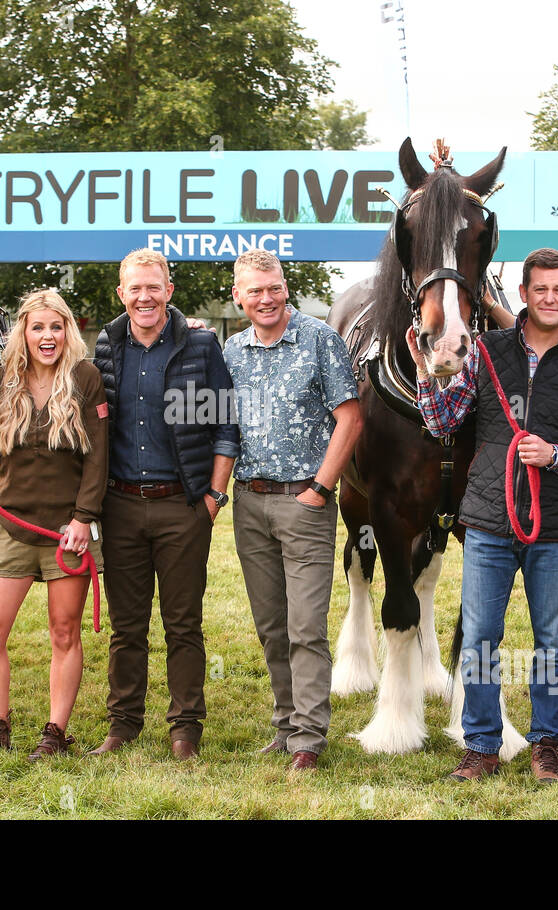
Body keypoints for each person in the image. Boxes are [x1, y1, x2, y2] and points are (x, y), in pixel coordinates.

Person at [412, 247, 558, 784]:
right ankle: (481, 744)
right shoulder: (485, 350)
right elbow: (443, 422)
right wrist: (426, 375)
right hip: (486, 520)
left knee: (552, 639)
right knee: (480, 636)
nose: (549, 297)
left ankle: (548, 745)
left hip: (553, 526)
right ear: (523, 294)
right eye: (539, 288)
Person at [88, 249, 239, 760]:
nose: (145, 296)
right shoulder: (106, 346)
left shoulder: (199, 344)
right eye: (135, 288)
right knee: (126, 627)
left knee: (183, 624)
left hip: (184, 506)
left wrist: (214, 498)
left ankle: (185, 730)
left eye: (154, 286)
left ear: (169, 290)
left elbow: (225, 424)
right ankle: (123, 724)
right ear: (122, 294)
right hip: (121, 506)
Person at [0, 288, 108, 760]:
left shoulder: (85, 378)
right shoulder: (4, 379)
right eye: (38, 327)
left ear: (68, 332)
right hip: (12, 525)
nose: (47, 336)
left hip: (68, 532)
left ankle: (55, 733)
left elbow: (98, 457)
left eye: (56, 327)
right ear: (23, 331)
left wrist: (84, 518)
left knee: (64, 632)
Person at [223, 249, 361, 772]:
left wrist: (321, 489)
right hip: (250, 501)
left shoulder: (321, 339)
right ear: (239, 296)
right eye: (254, 290)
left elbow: (349, 418)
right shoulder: (231, 351)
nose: (266, 298)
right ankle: (285, 725)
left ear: (286, 287)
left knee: (306, 625)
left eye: (274, 287)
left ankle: (309, 736)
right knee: (271, 624)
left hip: (305, 501)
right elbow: (224, 428)